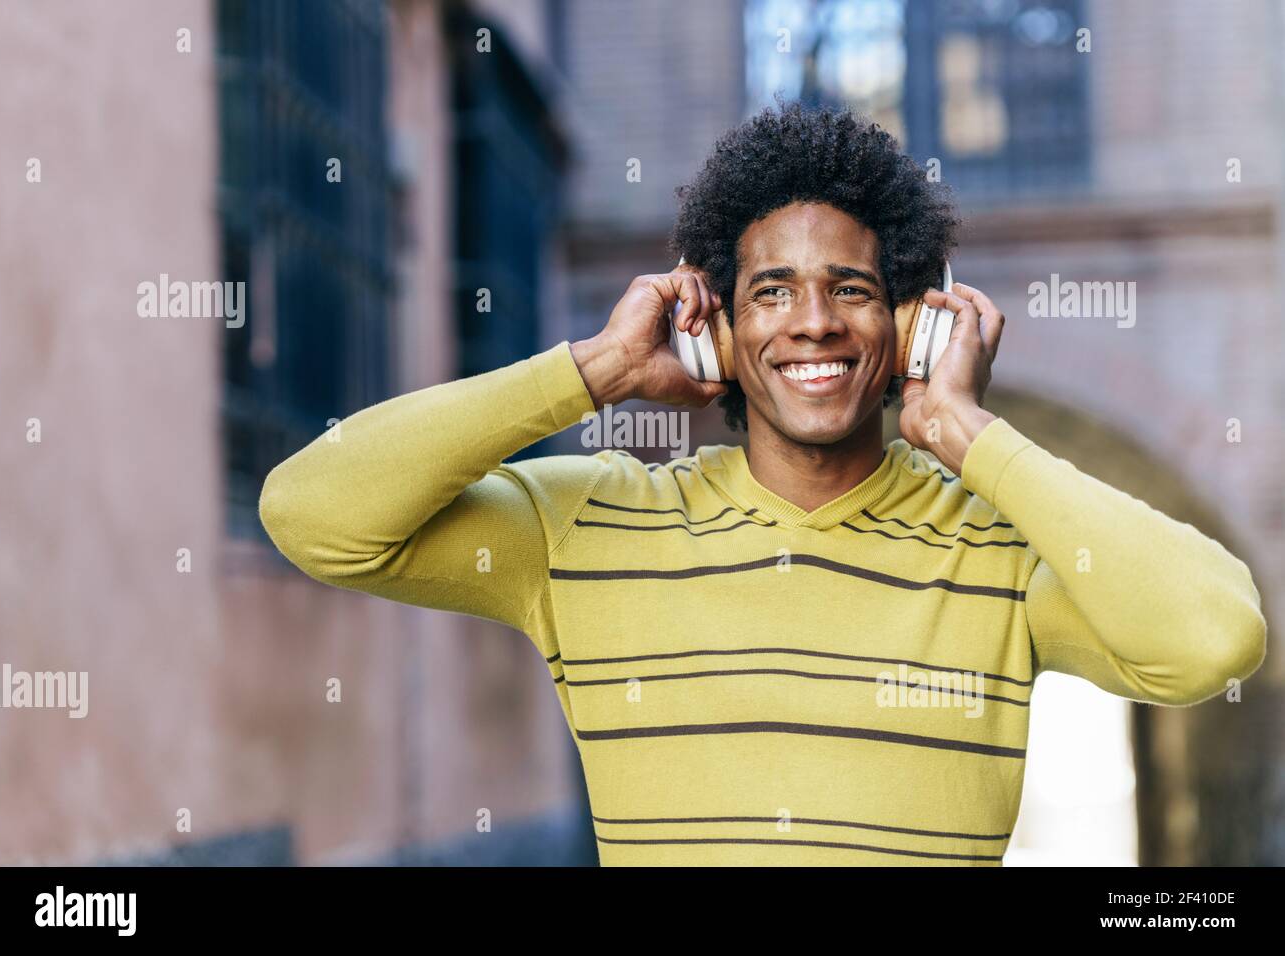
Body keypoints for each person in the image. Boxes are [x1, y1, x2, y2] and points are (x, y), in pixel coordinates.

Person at [258, 102, 1266, 866]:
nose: (813, 321)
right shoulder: (586, 525)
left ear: (910, 326)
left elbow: (1212, 636)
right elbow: (313, 515)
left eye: (852, 290)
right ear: (714, 331)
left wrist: (966, 429)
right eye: (771, 290)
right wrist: (593, 371)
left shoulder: (999, 549)